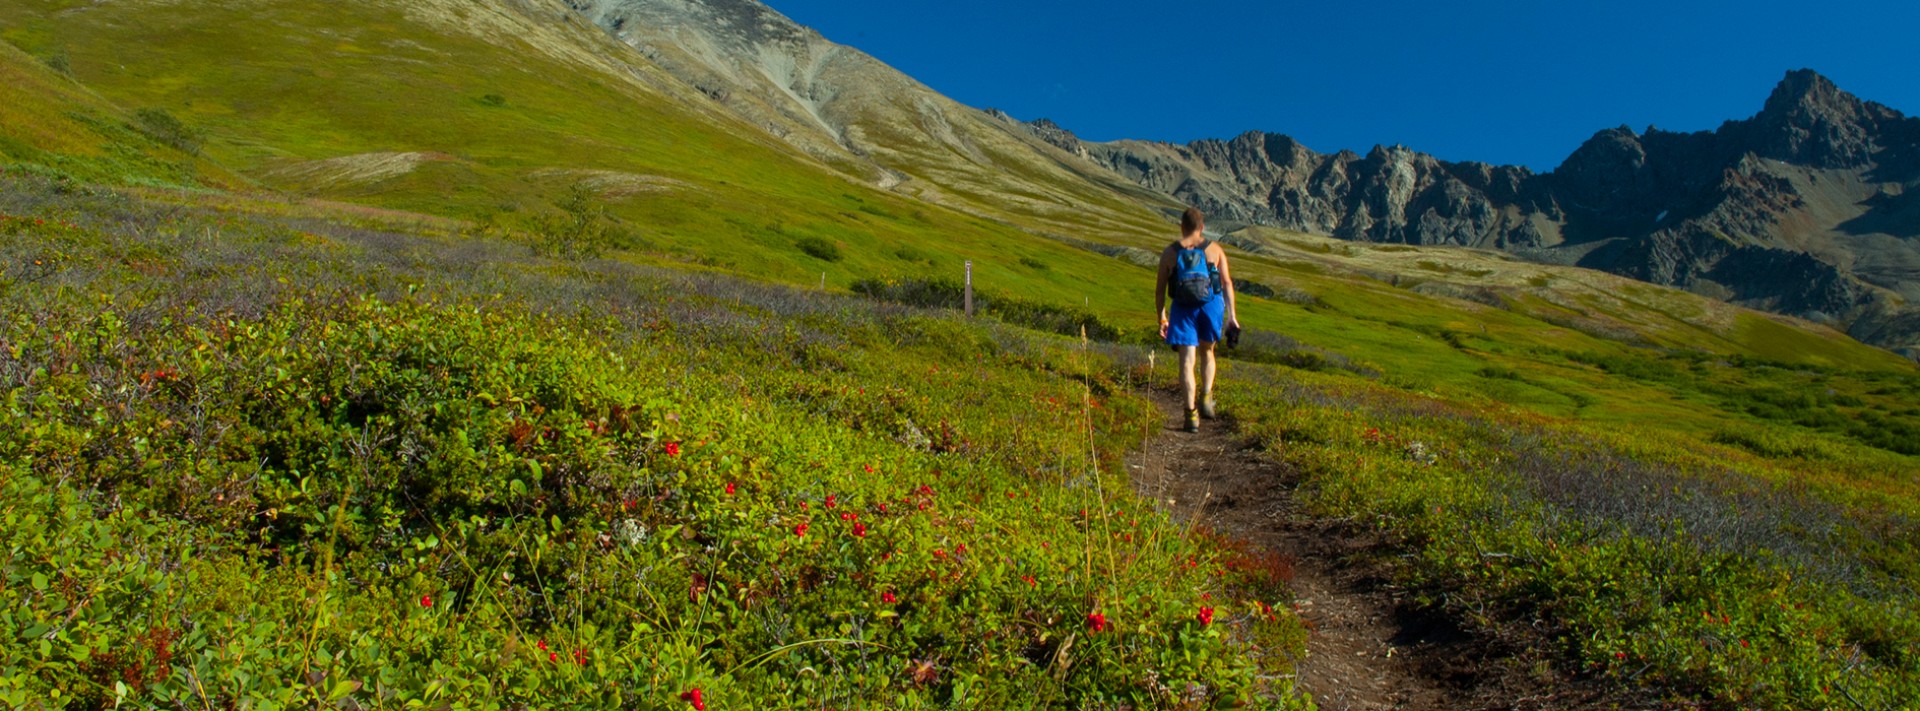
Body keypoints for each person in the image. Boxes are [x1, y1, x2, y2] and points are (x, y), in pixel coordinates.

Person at [1155, 207, 1239, 433]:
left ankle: (1190, 414)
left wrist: (1162, 317)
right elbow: (1227, 283)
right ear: (1202, 227)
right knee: (1208, 352)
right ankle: (1206, 395)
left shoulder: (1170, 253)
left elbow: (1160, 289)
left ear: (1181, 226)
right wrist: (1232, 316)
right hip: (1211, 306)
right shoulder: (1214, 250)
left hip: (1183, 309)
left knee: (1186, 361)